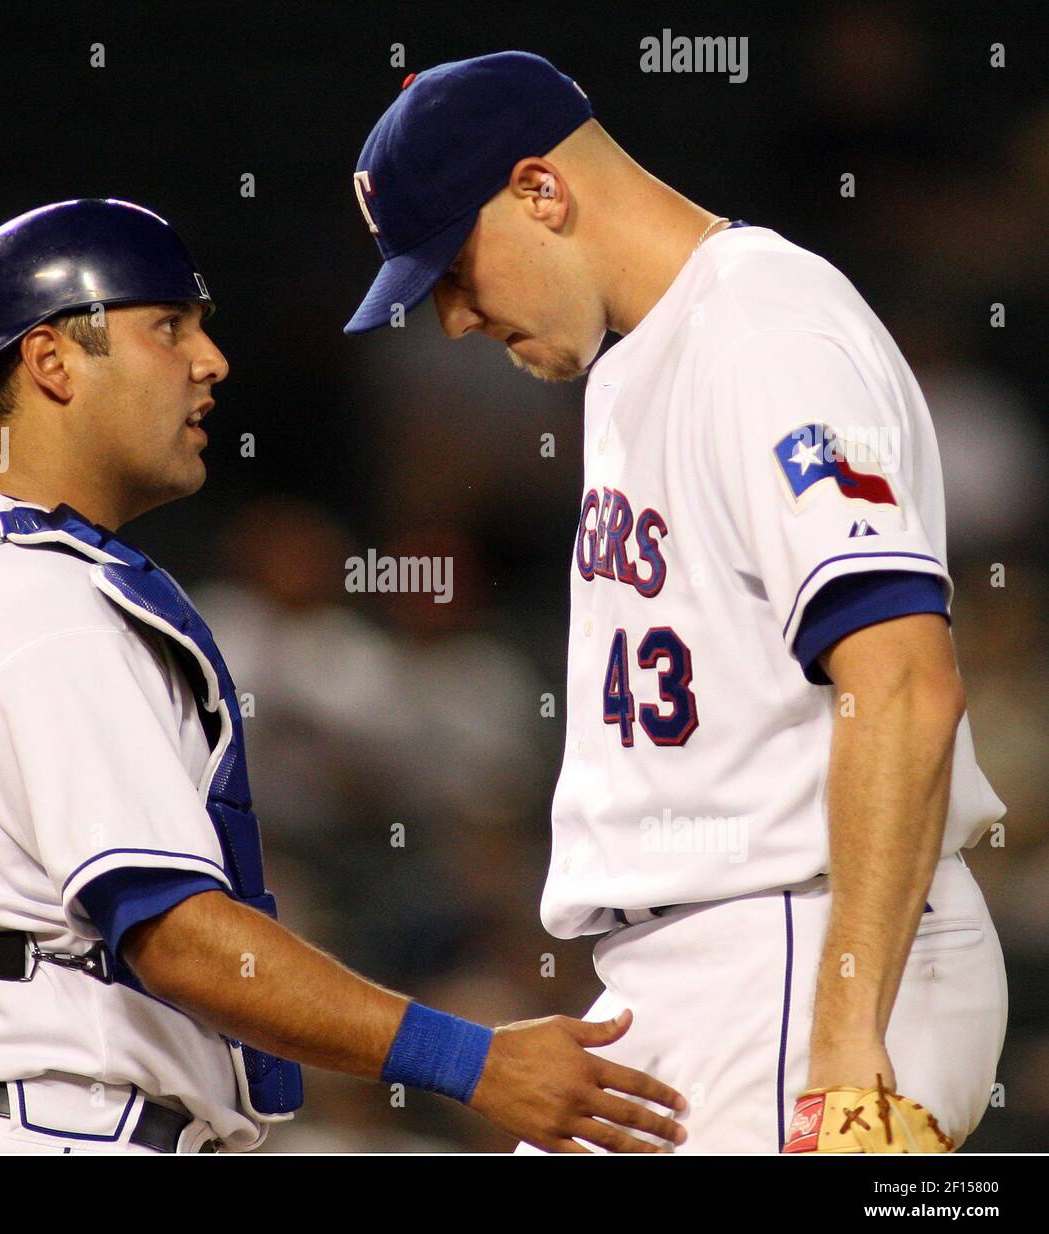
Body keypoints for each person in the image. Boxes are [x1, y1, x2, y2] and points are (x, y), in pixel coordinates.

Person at [0, 197, 687, 1155]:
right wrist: (472, 1059)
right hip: (48, 1123)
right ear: (51, 361)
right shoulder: (33, 599)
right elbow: (177, 936)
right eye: (168, 327)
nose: (210, 361)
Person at [344, 52, 1007, 1153]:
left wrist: (845, 1047)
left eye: (452, 267)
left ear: (540, 191)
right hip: (697, 974)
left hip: (801, 952)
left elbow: (900, 681)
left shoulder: (763, 327)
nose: (452, 319)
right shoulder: (638, 357)